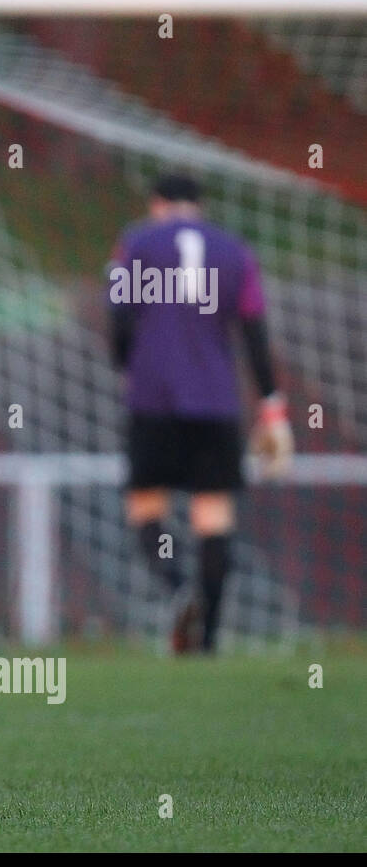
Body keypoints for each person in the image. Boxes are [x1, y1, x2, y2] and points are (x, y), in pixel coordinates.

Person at [108, 174, 292, 654]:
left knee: (145, 504)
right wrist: (272, 407)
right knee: (212, 513)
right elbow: (254, 332)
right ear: (199, 205)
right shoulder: (235, 252)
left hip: (154, 398)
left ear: (158, 204)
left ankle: (176, 588)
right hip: (215, 401)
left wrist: (127, 366)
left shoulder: (136, 243)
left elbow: (120, 318)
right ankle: (207, 638)